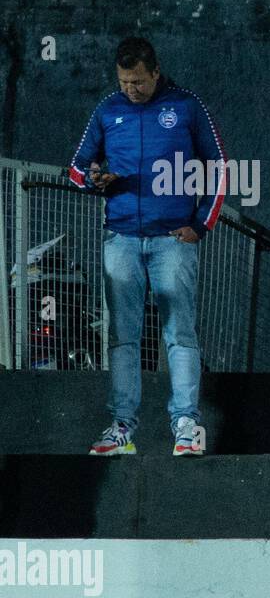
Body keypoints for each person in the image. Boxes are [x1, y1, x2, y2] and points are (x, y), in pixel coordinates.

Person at [70, 36, 226, 457]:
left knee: (179, 331)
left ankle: (186, 425)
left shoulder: (187, 106)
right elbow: (76, 167)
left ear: (155, 73)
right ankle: (122, 428)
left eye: (138, 82)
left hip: (173, 241)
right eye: (124, 82)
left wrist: (200, 225)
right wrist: (94, 179)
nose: (130, 90)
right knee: (123, 335)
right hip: (121, 238)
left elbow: (220, 168)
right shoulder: (107, 109)